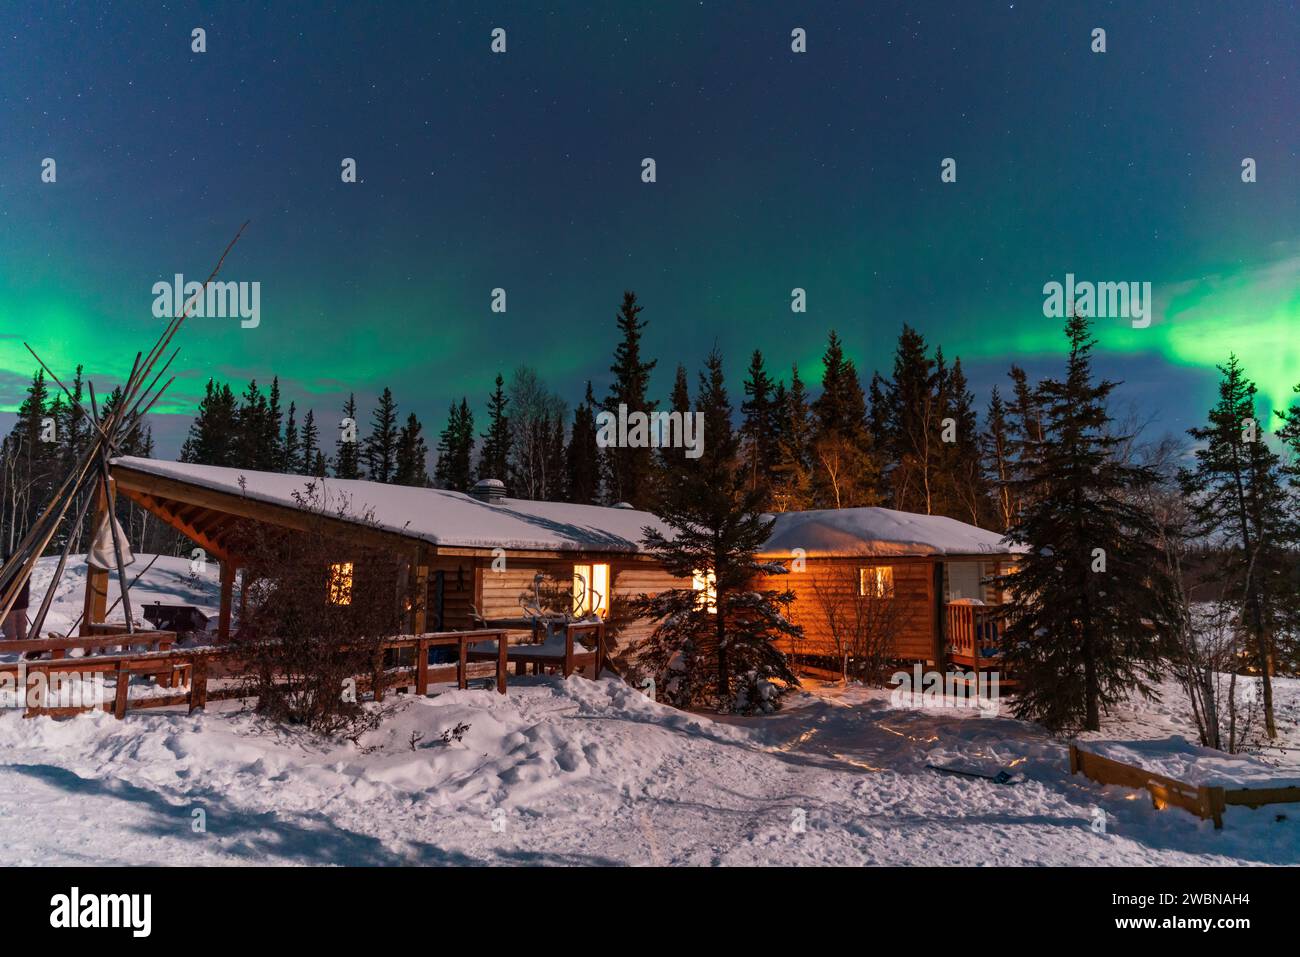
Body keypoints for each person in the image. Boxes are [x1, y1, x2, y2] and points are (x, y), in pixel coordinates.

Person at [1, 552, 30, 642]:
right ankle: (22, 637)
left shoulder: (6, 571)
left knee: (9, 623)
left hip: (10, 603)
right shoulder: (24, 569)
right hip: (23, 602)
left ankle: (11, 640)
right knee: (21, 621)